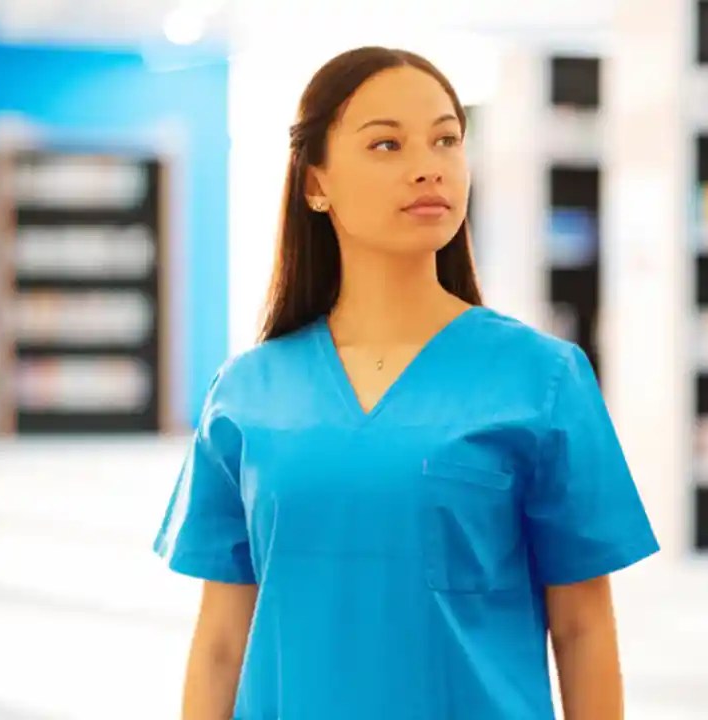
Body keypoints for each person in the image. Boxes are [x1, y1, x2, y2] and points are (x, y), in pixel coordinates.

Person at [152, 45, 659, 720]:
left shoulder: (542, 379)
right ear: (315, 183)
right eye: (387, 144)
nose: (429, 167)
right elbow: (221, 642)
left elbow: (583, 628)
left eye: (447, 140)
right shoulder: (246, 393)